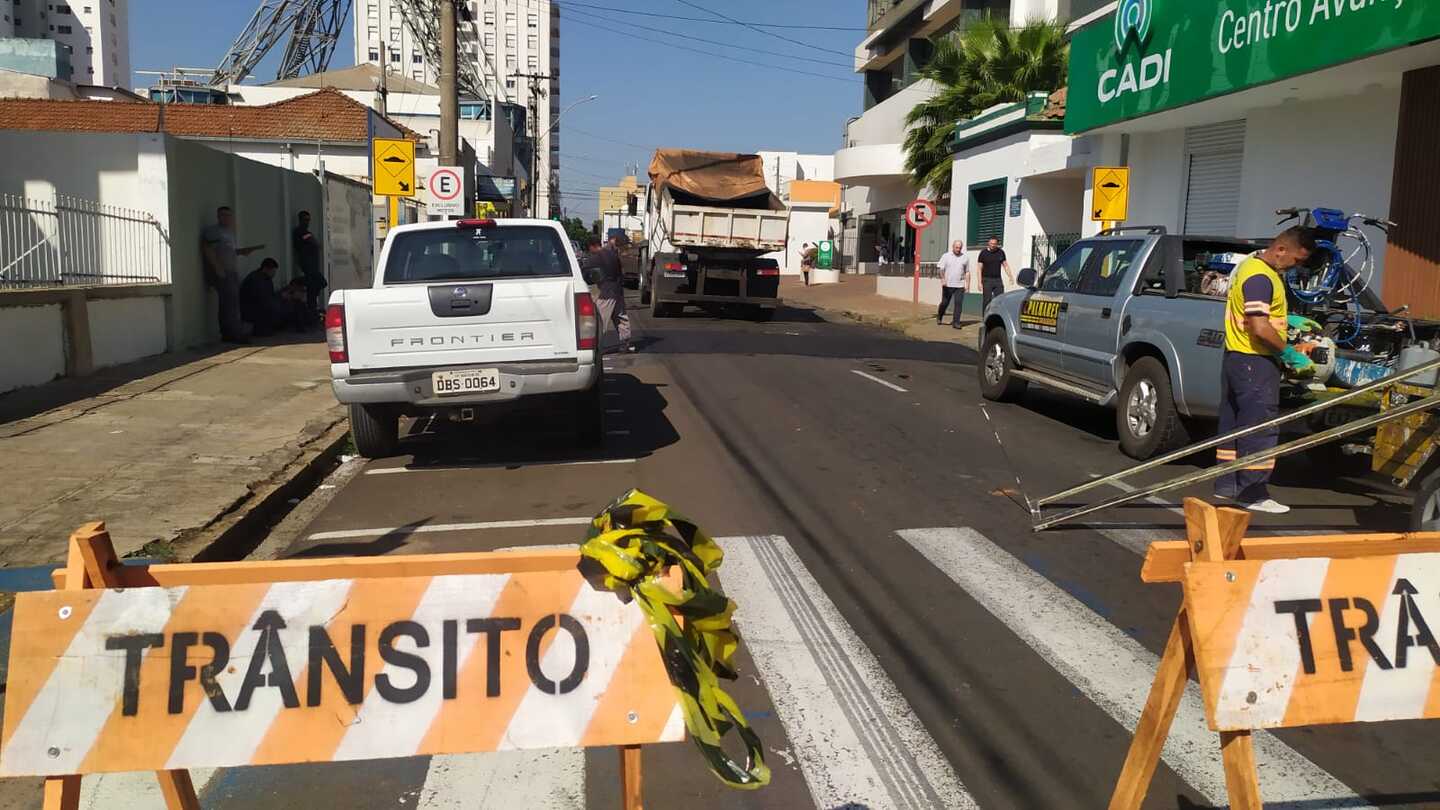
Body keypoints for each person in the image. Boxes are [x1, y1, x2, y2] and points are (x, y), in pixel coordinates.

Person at [1213, 226, 1316, 514]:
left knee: (1233, 425)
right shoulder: (1261, 277)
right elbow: (1259, 326)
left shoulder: (1249, 265)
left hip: (1236, 357)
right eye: (1296, 260)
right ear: (1281, 249)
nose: (1297, 267)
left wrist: (1288, 319)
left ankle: (1226, 485)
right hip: (1255, 360)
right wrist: (1289, 354)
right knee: (1260, 428)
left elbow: (1254, 314)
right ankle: (1253, 492)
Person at [201, 206, 264, 344]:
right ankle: (233, 333)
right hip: (223, 272)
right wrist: (218, 269)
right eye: (223, 215)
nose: (226, 218)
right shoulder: (213, 231)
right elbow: (207, 249)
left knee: (231, 303)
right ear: (218, 216)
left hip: (231, 271)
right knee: (229, 304)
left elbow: (230, 251)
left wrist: (243, 251)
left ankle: (230, 333)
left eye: (228, 215)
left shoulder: (229, 232)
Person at [240, 258, 308, 337]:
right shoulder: (257, 279)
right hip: (256, 311)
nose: (274, 274)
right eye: (273, 271)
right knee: (292, 304)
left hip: (262, 307)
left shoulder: (263, 278)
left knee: (294, 302)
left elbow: (268, 296)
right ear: (266, 269)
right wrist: (282, 297)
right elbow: (264, 300)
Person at [594, 232, 634, 353]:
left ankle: (596, 346)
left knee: (603, 319)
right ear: (616, 241)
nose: (624, 247)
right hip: (611, 291)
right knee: (615, 318)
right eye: (623, 244)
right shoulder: (609, 253)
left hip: (609, 291)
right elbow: (614, 272)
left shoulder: (608, 252)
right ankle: (624, 343)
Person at [291, 210, 327, 317]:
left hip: (312, 264)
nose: (307, 222)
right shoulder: (300, 231)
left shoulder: (304, 232)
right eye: (305, 220)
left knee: (316, 285)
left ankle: (312, 309)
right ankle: (297, 283)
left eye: (308, 220)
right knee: (319, 283)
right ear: (301, 220)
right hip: (307, 265)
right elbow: (313, 241)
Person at [935, 240, 969, 328]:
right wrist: (943, 279)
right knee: (945, 303)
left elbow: (967, 272)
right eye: (956, 247)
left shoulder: (965, 258)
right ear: (953, 247)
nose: (958, 249)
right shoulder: (946, 256)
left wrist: (967, 284)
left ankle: (956, 322)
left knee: (958, 303)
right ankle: (940, 315)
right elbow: (941, 269)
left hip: (960, 285)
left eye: (960, 248)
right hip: (948, 284)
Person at [977, 237, 1015, 312]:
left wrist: (1010, 276)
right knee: (987, 300)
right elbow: (979, 268)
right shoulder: (983, 253)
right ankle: (986, 318)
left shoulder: (1001, 252)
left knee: (1000, 299)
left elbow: (1005, 265)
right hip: (986, 280)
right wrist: (979, 282)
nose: (993, 245)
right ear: (988, 243)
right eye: (991, 243)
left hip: (998, 280)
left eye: (994, 244)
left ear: (997, 244)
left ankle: (997, 317)